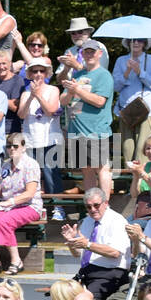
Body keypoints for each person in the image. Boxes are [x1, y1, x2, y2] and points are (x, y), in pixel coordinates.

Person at [0, 133, 43, 276]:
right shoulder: (6, 165)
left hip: (29, 206)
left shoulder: (31, 165)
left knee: (3, 222)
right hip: (9, 206)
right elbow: (2, 194)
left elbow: (30, 193)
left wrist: (10, 202)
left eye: (16, 146)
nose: (12, 149)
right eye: (9, 146)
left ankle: (16, 261)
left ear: (23, 147)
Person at [59, 40, 115, 196]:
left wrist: (77, 90)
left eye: (92, 51)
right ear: (81, 54)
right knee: (86, 170)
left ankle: (105, 206)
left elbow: (99, 101)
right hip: (76, 131)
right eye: (86, 52)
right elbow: (62, 102)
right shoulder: (77, 74)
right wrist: (70, 92)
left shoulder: (104, 75)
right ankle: (92, 205)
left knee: (102, 168)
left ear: (99, 54)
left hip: (96, 131)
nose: (89, 54)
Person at [63, 188, 132, 300]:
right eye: (88, 207)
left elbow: (115, 252)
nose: (92, 209)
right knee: (61, 296)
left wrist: (88, 244)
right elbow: (77, 254)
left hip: (110, 274)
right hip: (86, 273)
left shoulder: (117, 221)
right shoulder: (87, 221)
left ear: (106, 203)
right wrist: (72, 243)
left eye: (96, 205)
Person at [17, 56, 64, 204]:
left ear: (46, 73)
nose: (38, 74)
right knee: (32, 175)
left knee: (52, 175)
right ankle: (35, 205)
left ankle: (58, 206)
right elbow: (21, 114)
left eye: (41, 71)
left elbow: (50, 110)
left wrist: (38, 95)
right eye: (34, 71)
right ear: (29, 74)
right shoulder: (25, 94)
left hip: (50, 139)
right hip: (31, 140)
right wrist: (31, 96)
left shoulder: (53, 90)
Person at [113, 38, 151, 166]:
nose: (136, 43)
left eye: (140, 40)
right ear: (128, 43)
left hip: (147, 111)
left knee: (146, 149)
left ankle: (146, 182)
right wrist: (128, 71)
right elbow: (116, 87)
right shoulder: (121, 60)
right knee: (127, 149)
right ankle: (132, 183)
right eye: (132, 40)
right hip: (126, 110)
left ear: (145, 43)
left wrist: (140, 71)